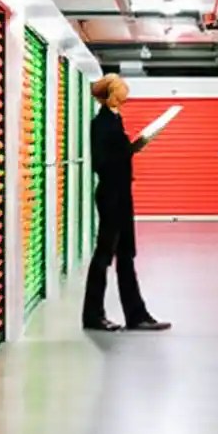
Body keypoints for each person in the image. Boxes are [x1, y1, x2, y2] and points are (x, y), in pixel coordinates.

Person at [82, 73, 172, 332]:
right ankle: (93, 315)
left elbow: (116, 155)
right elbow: (102, 162)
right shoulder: (101, 123)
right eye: (122, 90)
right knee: (104, 256)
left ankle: (136, 315)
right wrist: (130, 149)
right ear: (113, 94)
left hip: (121, 193)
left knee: (125, 255)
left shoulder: (114, 120)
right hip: (112, 195)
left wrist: (132, 147)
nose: (126, 94)